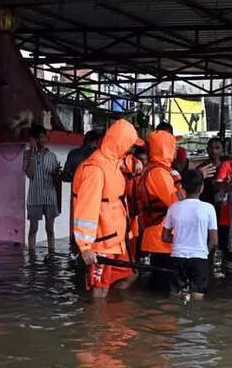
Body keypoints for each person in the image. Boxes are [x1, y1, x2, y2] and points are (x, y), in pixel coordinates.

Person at [73, 118, 145, 298]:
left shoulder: (113, 163)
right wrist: (85, 246)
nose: (131, 149)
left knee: (130, 274)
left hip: (116, 239)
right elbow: (86, 209)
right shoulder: (95, 169)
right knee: (100, 288)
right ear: (120, 144)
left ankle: (112, 311)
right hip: (102, 242)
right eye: (130, 145)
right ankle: (97, 315)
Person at [135, 129, 185, 292]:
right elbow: (176, 203)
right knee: (166, 289)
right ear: (165, 148)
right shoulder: (158, 173)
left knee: (162, 287)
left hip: (161, 237)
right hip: (161, 238)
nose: (176, 148)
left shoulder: (161, 170)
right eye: (173, 145)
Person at [162, 170, 218, 300]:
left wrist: (180, 240)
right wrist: (203, 251)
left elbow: (165, 237)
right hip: (199, 258)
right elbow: (214, 241)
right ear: (201, 188)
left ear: (183, 187)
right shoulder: (209, 208)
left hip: (177, 257)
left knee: (175, 296)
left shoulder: (173, 208)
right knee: (197, 297)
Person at [23, 124, 61, 254]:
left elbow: (56, 179)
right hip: (35, 198)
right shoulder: (27, 155)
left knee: (50, 229)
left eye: (44, 137)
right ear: (34, 139)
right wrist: (32, 154)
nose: (42, 140)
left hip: (50, 198)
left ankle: (52, 254)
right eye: (39, 137)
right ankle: (31, 256)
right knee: (33, 229)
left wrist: (57, 174)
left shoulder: (52, 156)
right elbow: (30, 174)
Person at [64, 130, 103, 255]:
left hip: (76, 195)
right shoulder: (98, 155)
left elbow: (65, 176)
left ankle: (76, 248)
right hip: (94, 196)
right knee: (93, 225)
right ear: (96, 141)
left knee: (76, 223)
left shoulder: (73, 154)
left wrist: (76, 177)